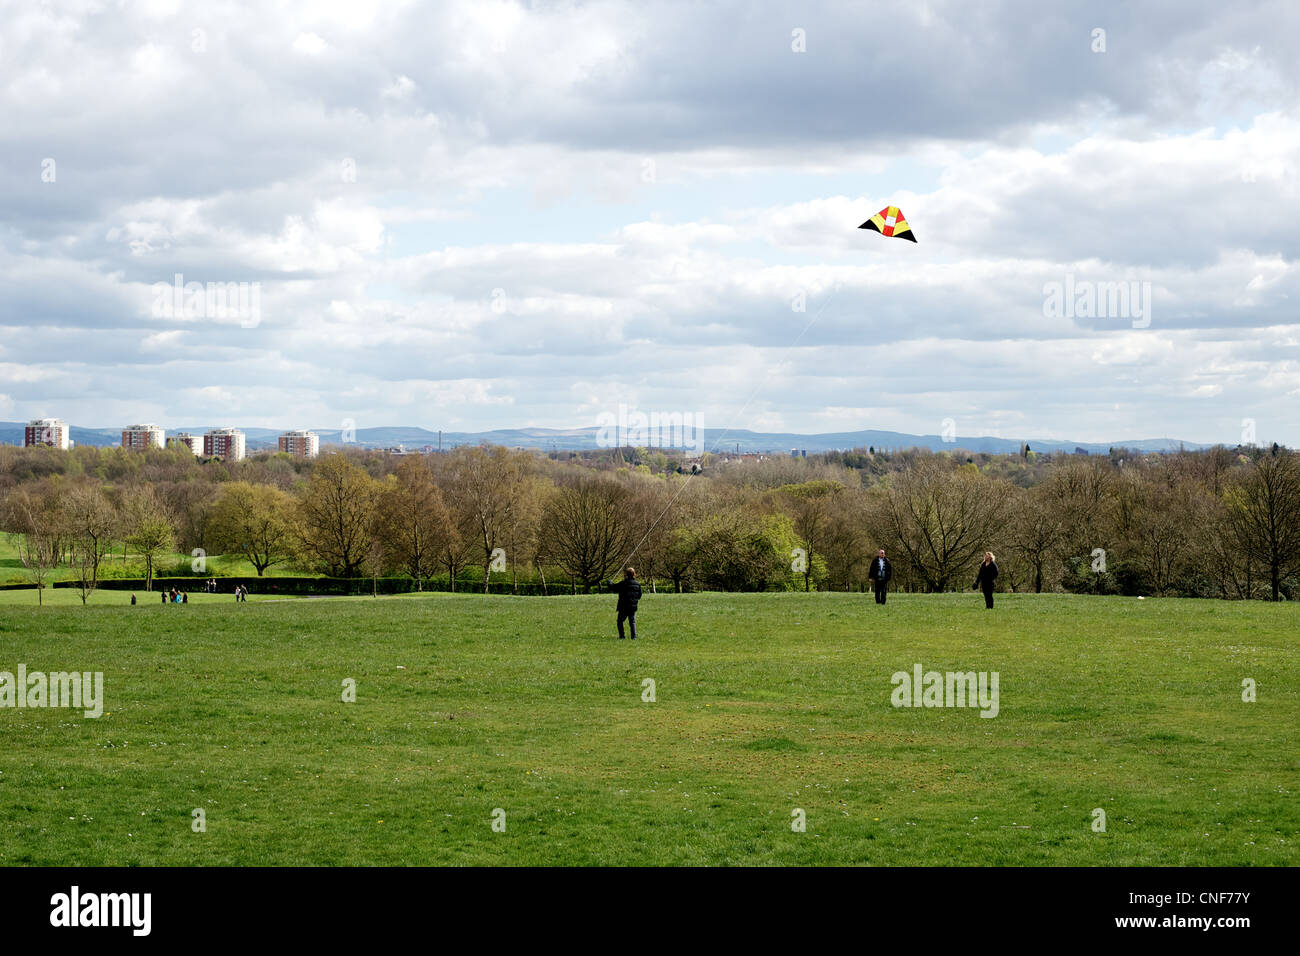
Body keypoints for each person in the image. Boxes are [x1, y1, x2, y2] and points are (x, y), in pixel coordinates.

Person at [603, 567, 642, 640]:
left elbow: (613, 588)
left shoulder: (623, 583)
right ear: (634, 574)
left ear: (626, 574)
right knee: (632, 622)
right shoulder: (638, 584)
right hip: (632, 606)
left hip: (623, 606)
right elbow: (639, 596)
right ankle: (633, 637)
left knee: (620, 621)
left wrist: (609, 583)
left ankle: (622, 636)